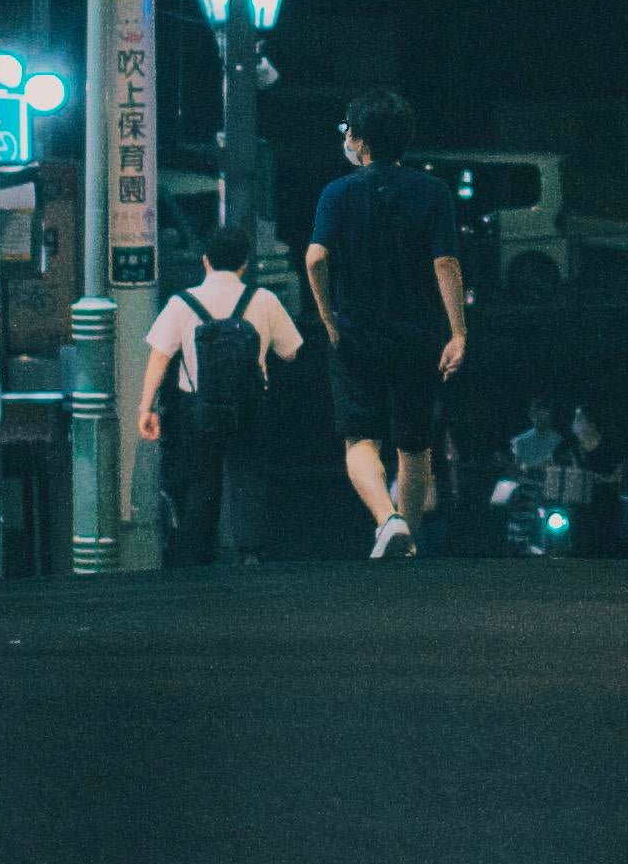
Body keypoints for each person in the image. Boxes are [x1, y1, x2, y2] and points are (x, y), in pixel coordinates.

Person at [304, 89, 465, 559]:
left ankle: (387, 519)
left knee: (360, 438)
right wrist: (458, 332)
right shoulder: (432, 191)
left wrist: (328, 319)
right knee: (415, 443)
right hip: (419, 335)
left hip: (356, 333)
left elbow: (316, 259)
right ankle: (409, 539)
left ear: (358, 137)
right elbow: (446, 264)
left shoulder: (337, 193)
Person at [135, 223, 303, 567]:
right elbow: (291, 352)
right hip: (251, 404)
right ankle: (250, 552)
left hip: (196, 407)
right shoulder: (264, 299)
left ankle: (199, 557)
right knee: (249, 476)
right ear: (244, 263)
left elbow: (160, 356)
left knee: (200, 482)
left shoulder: (182, 303)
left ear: (205, 260)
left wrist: (146, 406)